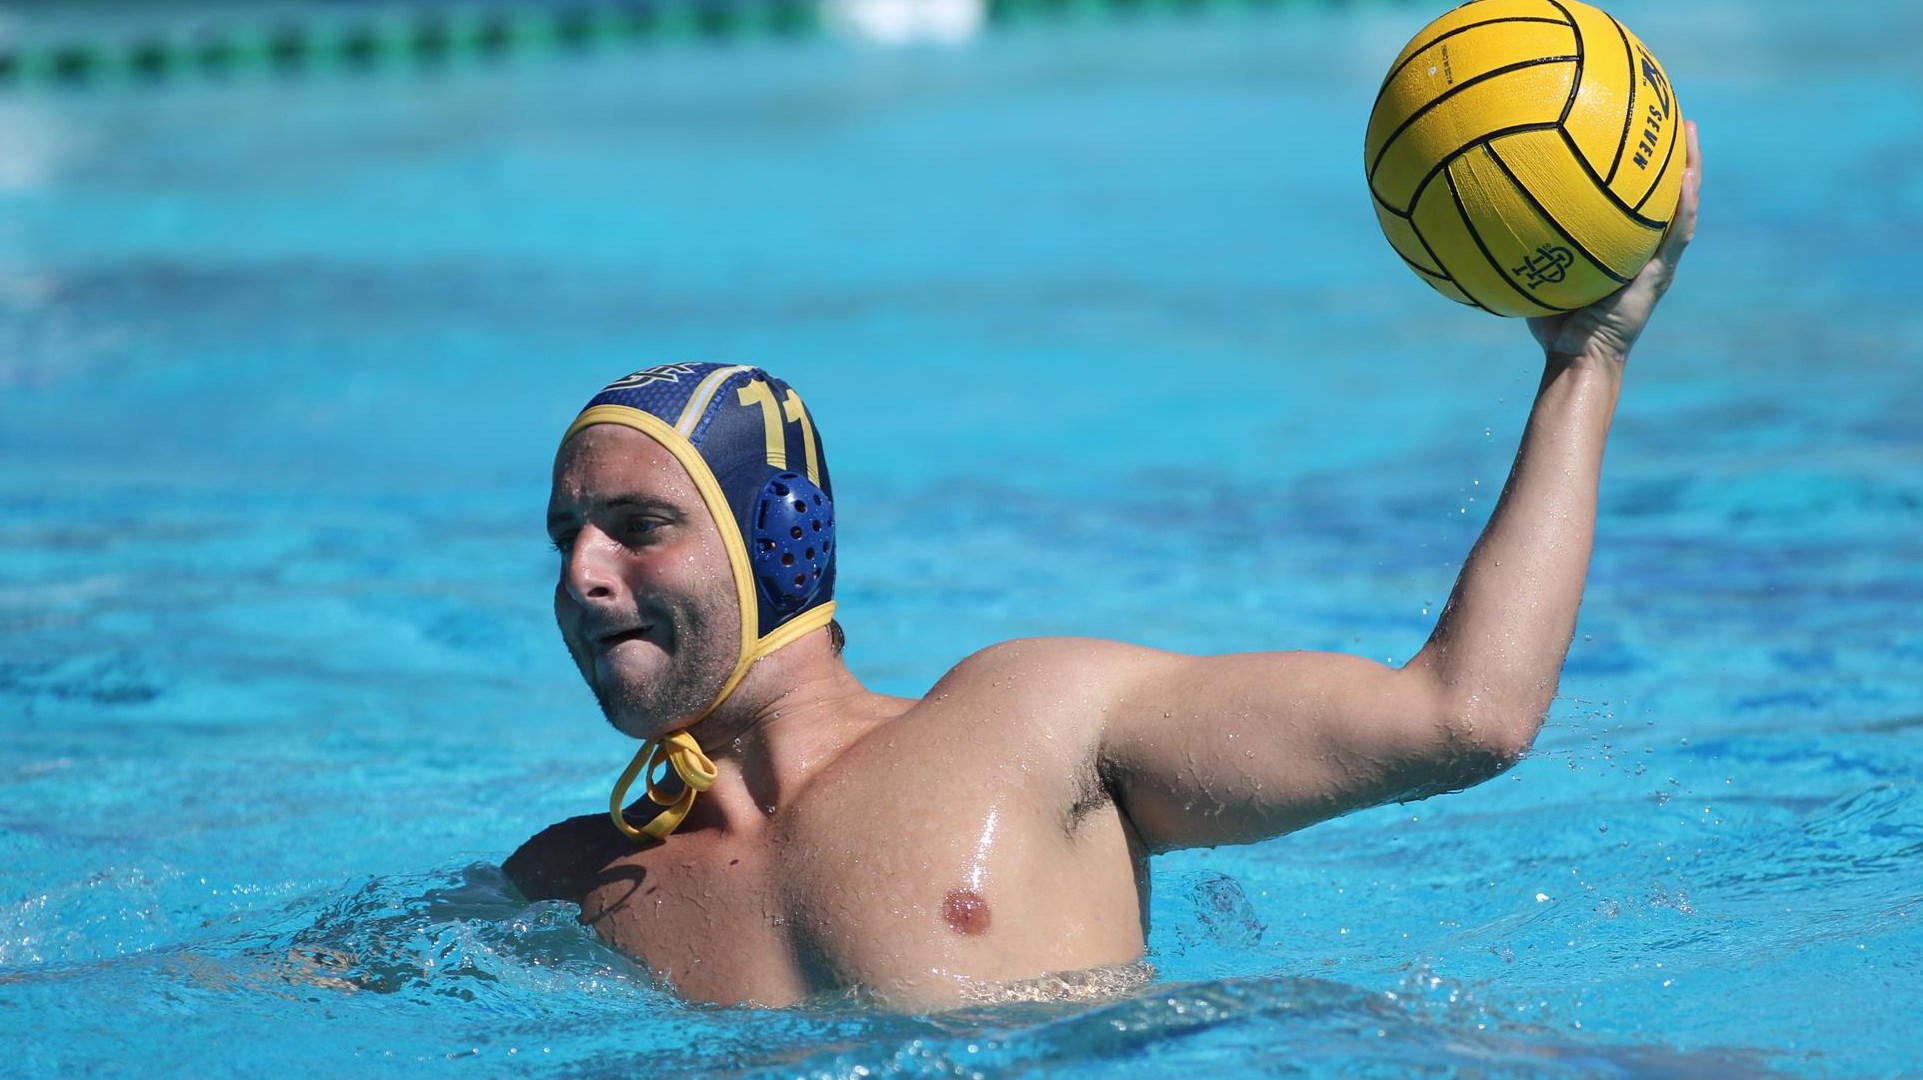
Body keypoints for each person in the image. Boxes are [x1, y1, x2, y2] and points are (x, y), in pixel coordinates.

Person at [507, 124, 1703, 1010]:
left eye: (638, 524)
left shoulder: (1034, 721)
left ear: (777, 537)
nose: (584, 575)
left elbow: (1464, 714)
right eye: (567, 536)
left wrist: (1587, 358)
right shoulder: (575, 884)